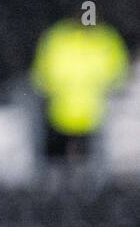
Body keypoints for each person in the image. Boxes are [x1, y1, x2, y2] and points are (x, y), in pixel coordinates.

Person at [31, 16, 129, 160]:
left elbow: (42, 78)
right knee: (88, 160)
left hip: (72, 113)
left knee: (70, 160)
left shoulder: (57, 37)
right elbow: (118, 74)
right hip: (86, 113)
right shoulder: (104, 37)